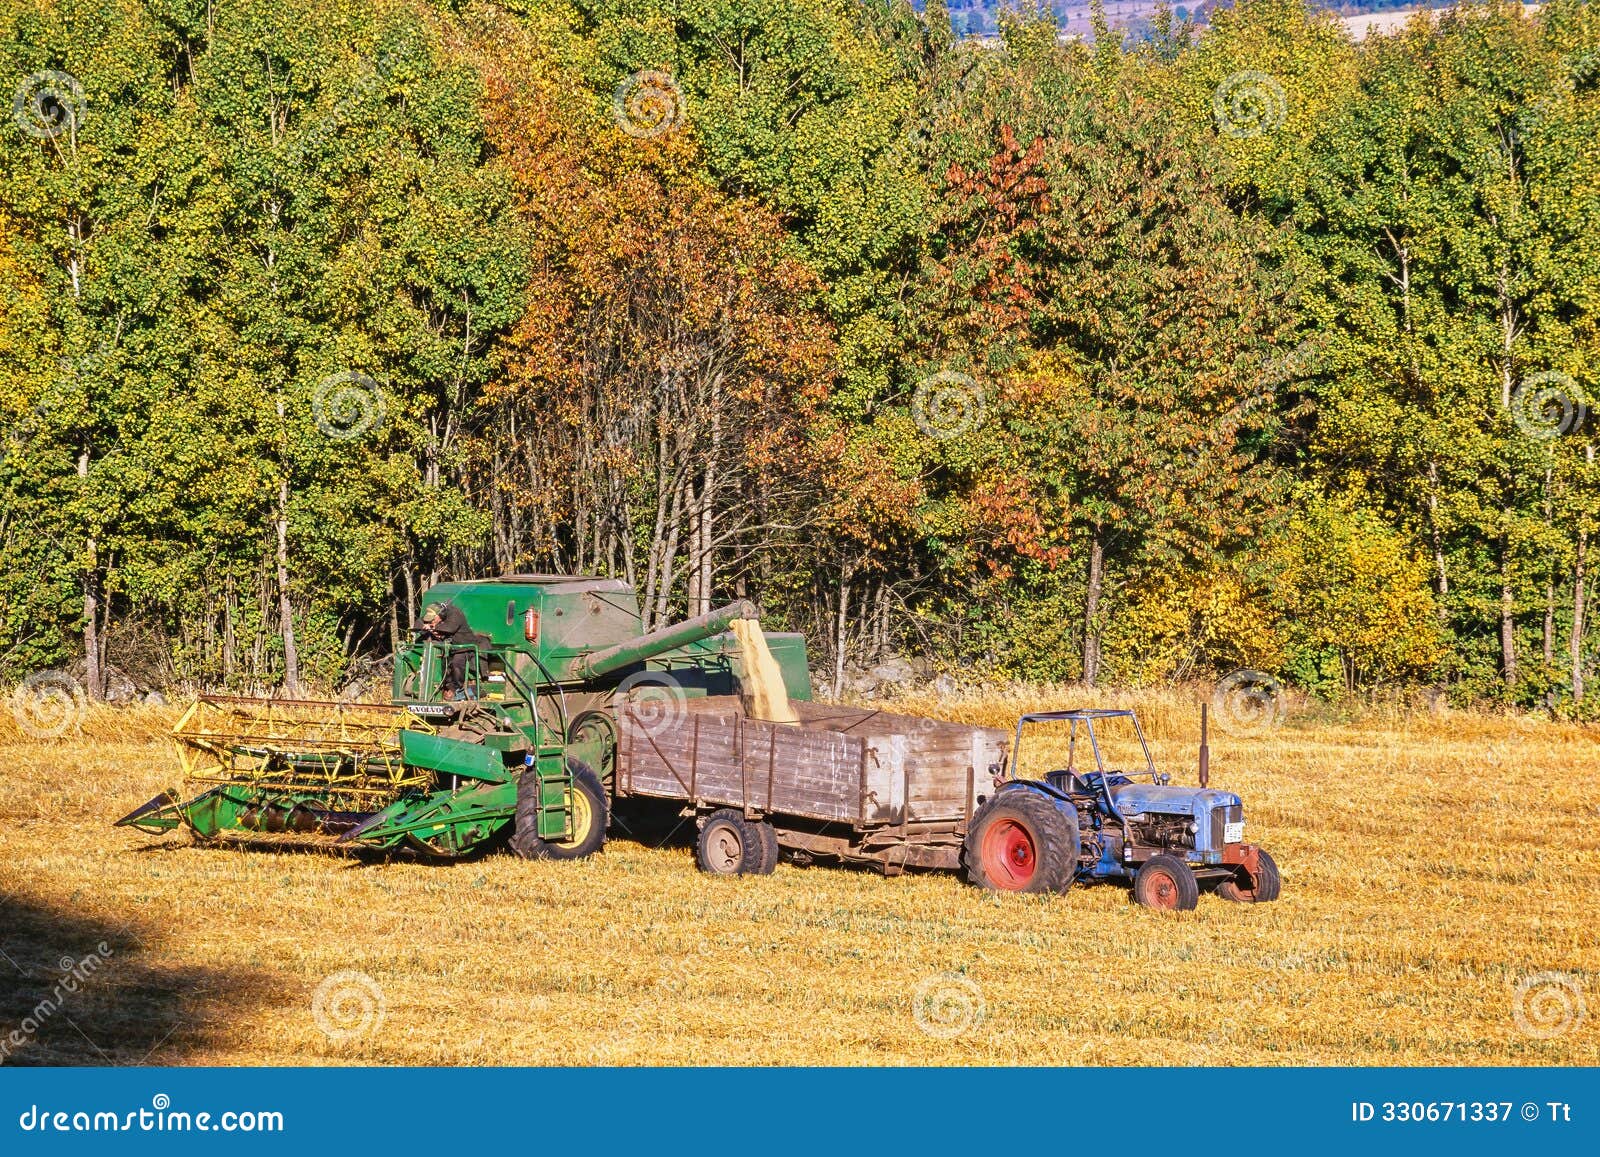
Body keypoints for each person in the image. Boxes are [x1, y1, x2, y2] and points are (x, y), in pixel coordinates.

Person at [416, 601, 489, 701]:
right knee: (441, 663)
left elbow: (449, 628)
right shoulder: (435, 614)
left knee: (457, 663)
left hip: (464, 647)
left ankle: (456, 689)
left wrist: (432, 627)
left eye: (433, 620)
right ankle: (439, 688)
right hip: (450, 648)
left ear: (440, 615)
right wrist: (425, 626)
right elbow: (418, 623)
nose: (431, 621)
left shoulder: (455, 613)